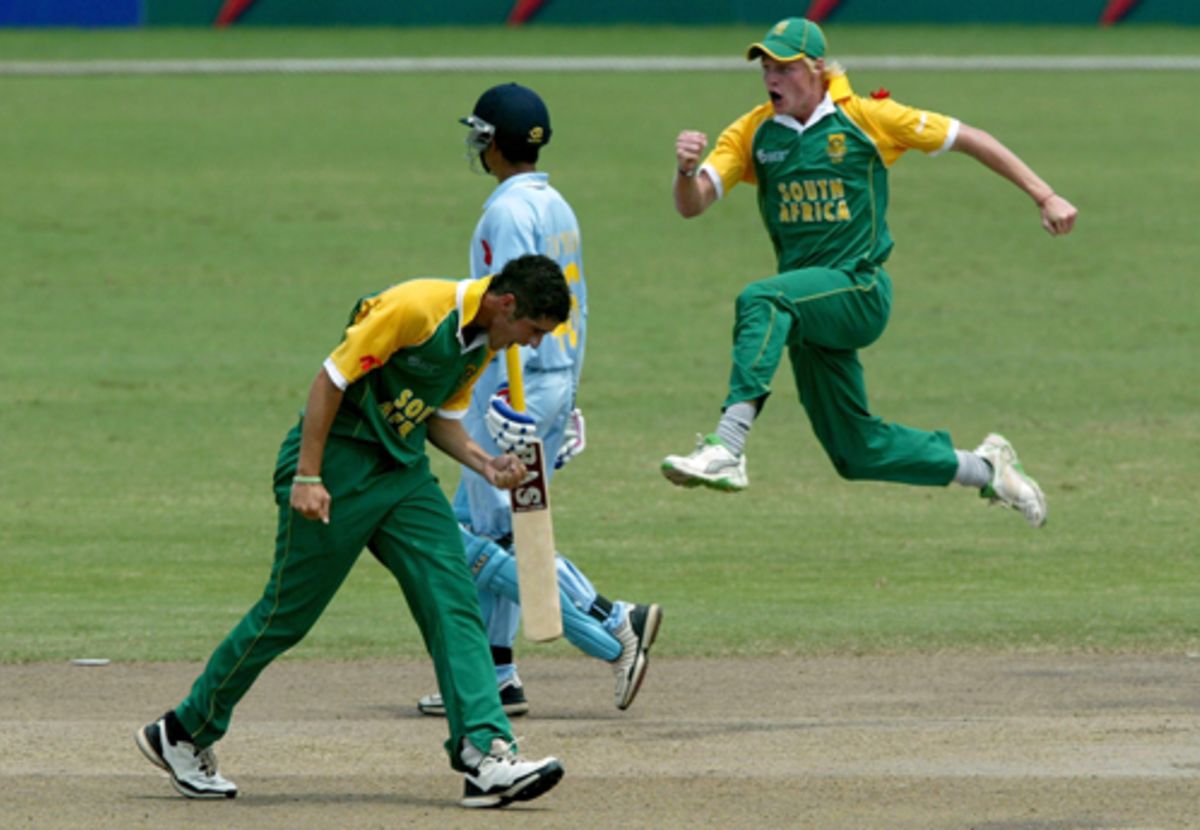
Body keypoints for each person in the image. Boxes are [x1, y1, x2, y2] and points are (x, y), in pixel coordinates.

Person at [135, 255, 571, 809]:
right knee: (284, 616)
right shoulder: (417, 308)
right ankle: (183, 731)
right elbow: (331, 379)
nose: (531, 345)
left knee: (453, 598)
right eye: (532, 331)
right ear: (505, 303)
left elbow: (435, 414)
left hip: (403, 474)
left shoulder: (485, 341)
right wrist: (309, 475)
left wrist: (485, 464)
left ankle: (484, 754)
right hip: (335, 467)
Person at [662, 17, 1077, 527]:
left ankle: (726, 445)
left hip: (858, 289)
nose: (772, 77)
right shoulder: (753, 132)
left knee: (761, 299)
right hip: (808, 309)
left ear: (817, 70)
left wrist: (1044, 194)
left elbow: (969, 137)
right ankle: (986, 468)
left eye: (785, 68)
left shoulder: (870, 118)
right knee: (855, 453)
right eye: (767, 67)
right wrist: (685, 172)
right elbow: (693, 204)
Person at [415, 83, 663, 719]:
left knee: (483, 532)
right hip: (550, 376)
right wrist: (568, 396)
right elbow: (569, 305)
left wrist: (507, 394)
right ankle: (497, 670)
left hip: (512, 381)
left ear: (492, 142)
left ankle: (610, 619)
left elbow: (516, 306)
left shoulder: (504, 211)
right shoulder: (558, 204)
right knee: (493, 524)